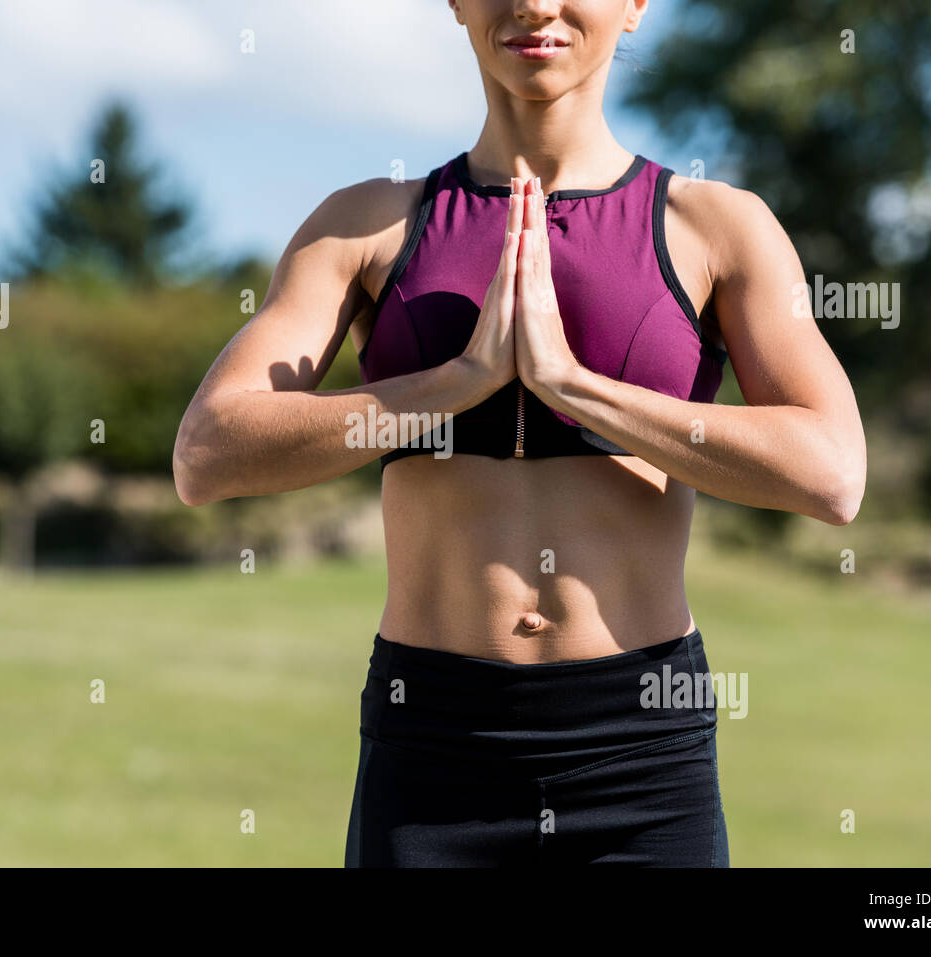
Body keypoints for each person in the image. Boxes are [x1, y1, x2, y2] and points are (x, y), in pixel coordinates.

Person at [172, 0, 866, 866]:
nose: (536, 4)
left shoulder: (716, 226)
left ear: (636, 6)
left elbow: (833, 471)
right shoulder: (366, 226)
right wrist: (455, 384)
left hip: (642, 748)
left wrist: (576, 387)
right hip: (431, 741)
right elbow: (208, 453)